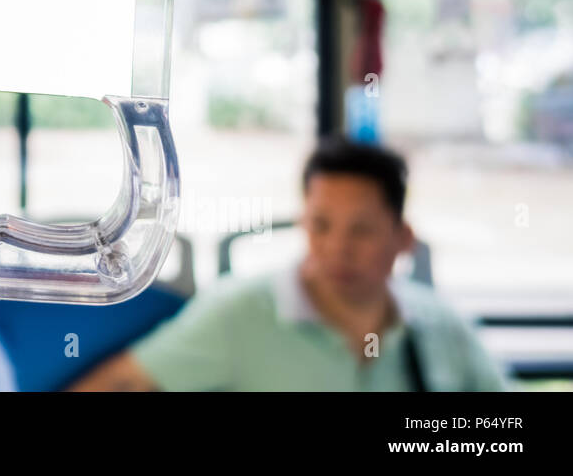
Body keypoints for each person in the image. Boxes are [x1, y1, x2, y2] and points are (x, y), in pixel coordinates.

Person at [71, 138, 505, 391]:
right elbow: (115, 386)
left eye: (362, 230)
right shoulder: (238, 314)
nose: (338, 248)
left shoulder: (440, 327)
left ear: (403, 238)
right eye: (321, 225)